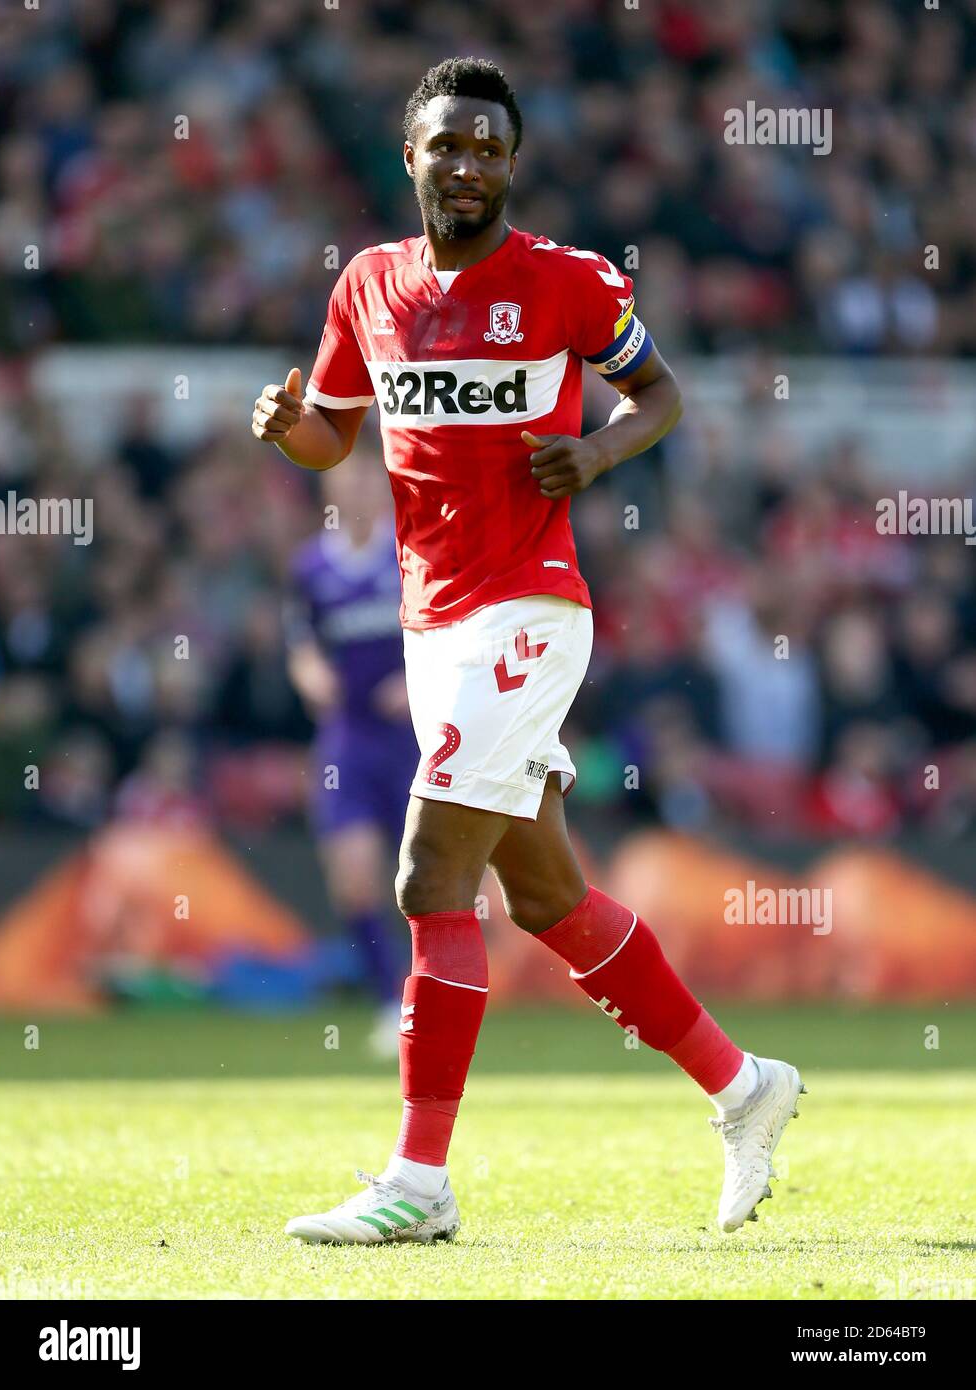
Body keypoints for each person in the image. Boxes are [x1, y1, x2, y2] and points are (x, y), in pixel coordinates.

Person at [252, 57, 805, 1244]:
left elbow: (658, 395)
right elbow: (332, 437)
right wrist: (286, 426)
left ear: (513, 163)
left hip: (529, 609)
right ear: (412, 154)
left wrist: (597, 456)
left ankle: (420, 1179)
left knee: (425, 876)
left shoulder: (564, 283)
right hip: (433, 621)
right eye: (445, 144)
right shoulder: (368, 285)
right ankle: (742, 1085)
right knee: (547, 894)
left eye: (488, 148)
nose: (466, 165)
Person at [285, 453, 418, 1055]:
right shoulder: (311, 566)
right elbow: (301, 642)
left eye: (367, 479)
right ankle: (391, 1003)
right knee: (354, 880)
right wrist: (310, 675)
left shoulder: (408, 550)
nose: (356, 491)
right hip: (348, 741)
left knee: (424, 880)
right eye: (345, 482)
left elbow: (444, 626)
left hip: (412, 739)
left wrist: (414, 681)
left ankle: (433, 998)